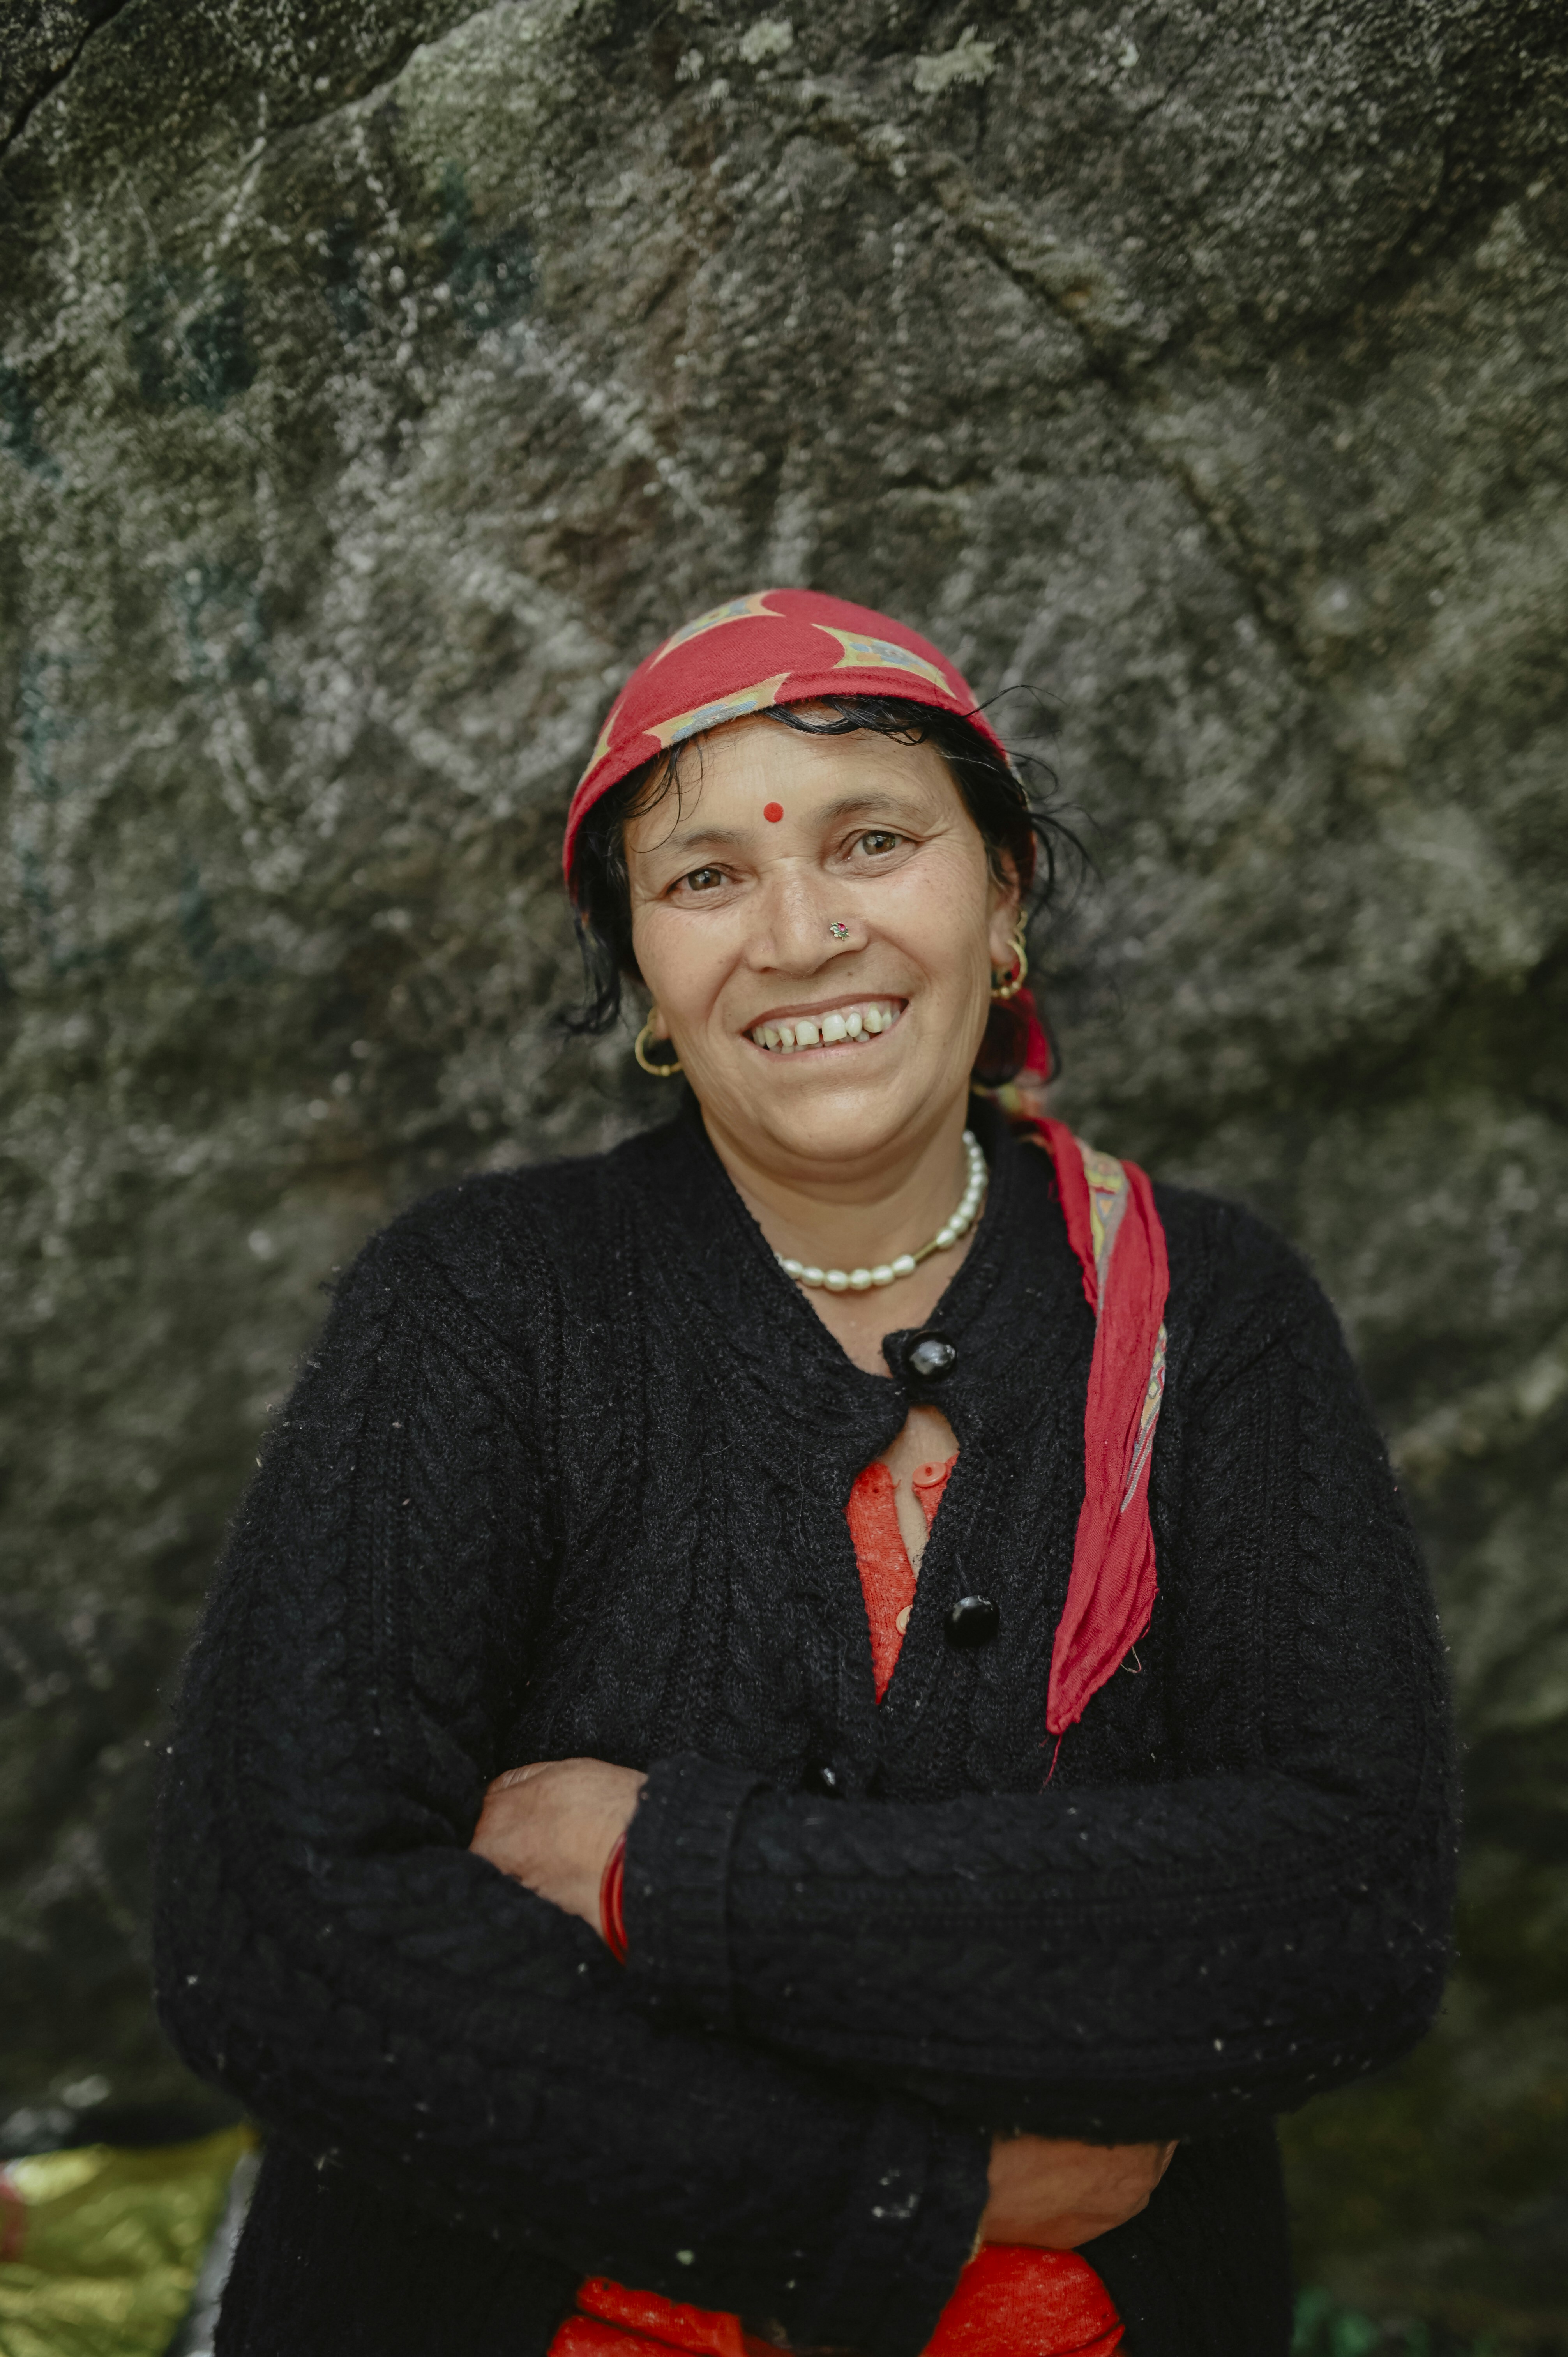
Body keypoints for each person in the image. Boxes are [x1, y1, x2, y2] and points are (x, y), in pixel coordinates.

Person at [154, 590, 1456, 2357]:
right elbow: (290, 1935)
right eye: (702, 879)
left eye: (875, 841)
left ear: (1001, 902)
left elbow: (1342, 1910)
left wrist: (658, 1870)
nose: (798, 931)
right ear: (644, 976)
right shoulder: (480, 1302)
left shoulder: (1209, 1313)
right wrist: (912, 2193)